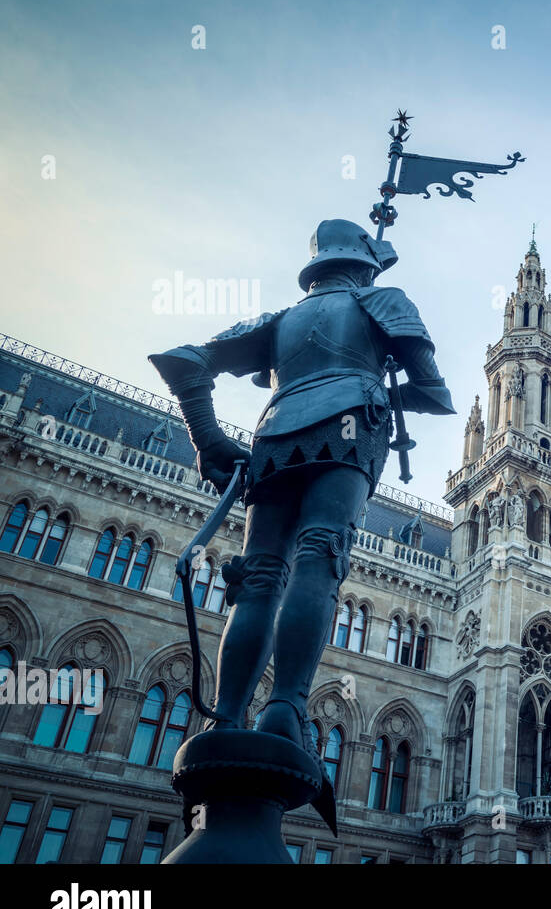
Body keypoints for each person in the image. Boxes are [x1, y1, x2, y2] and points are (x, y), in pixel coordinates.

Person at [149, 219, 453, 765]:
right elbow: (434, 392)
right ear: (364, 263)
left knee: (259, 576)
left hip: (271, 438)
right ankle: (286, 707)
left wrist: (211, 439)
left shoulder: (281, 320)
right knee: (319, 557)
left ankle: (227, 713)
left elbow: (185, 361)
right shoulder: (383, 301)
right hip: (348, 430)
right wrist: (385, 389)